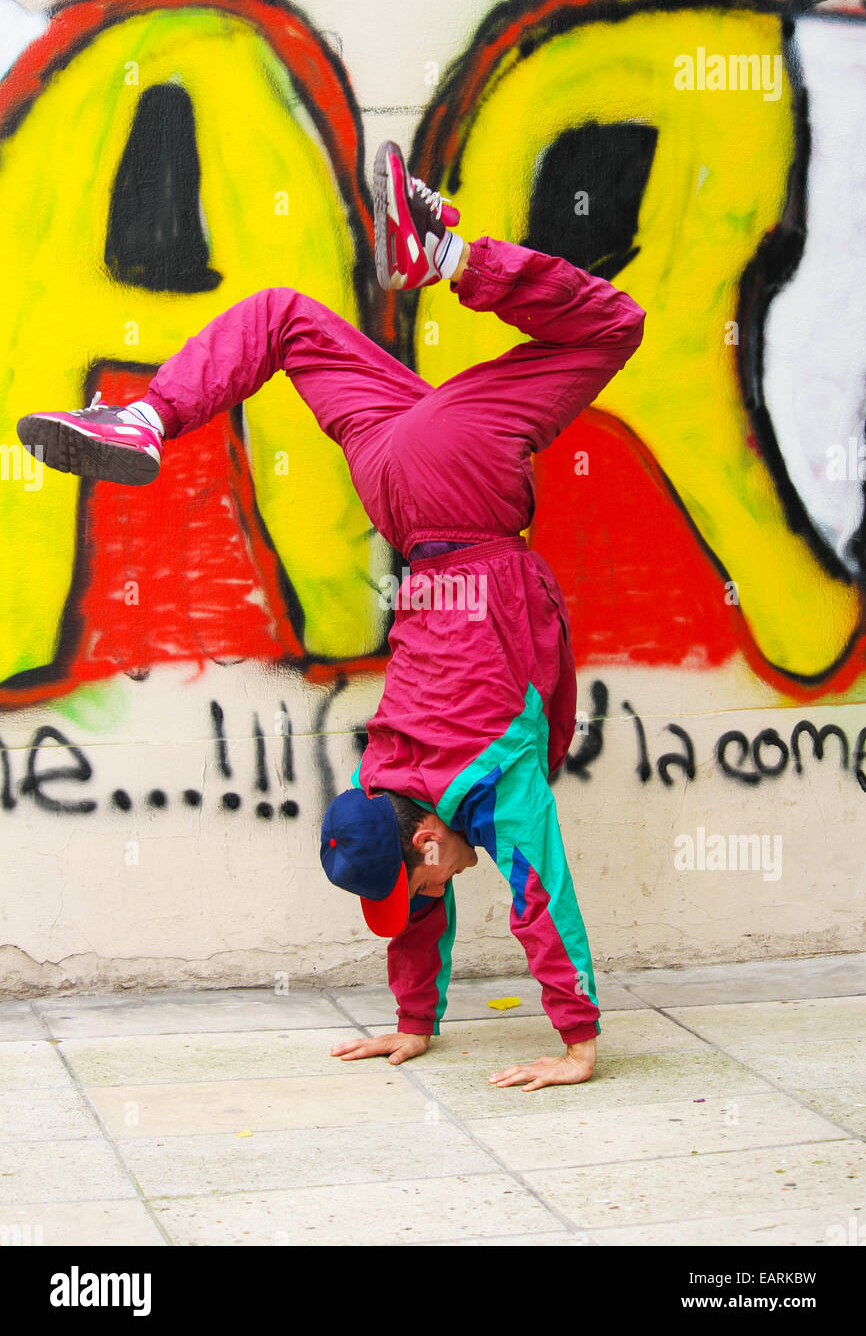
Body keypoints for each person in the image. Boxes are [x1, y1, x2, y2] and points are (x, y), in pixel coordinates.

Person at [18, 141, 645, 1091]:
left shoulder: (483, 783)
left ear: (423, 840)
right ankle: (149, 416)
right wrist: (413, 1027)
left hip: (441, 484)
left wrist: (578, 1042)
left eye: (420, 879)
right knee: (280, 320)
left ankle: (446, 262)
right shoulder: (382, 772)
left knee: (613, 328)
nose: (431, 892)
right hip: (400, 472)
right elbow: (435, 890)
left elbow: (539, 899)